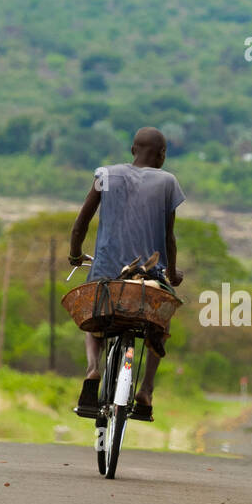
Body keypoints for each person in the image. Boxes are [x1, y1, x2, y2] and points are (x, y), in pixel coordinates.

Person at [68, 126, 184, 422]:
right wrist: (172, 273)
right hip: (148, 277)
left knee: (93, 316)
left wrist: (75, 255)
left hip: (106, 273)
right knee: (161, 322)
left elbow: (81, 222)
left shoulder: (105, 174)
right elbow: (169, 238)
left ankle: (93, 369)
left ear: (133, 150)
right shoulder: (168, 182)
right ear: (162, 155)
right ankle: (145, 391)